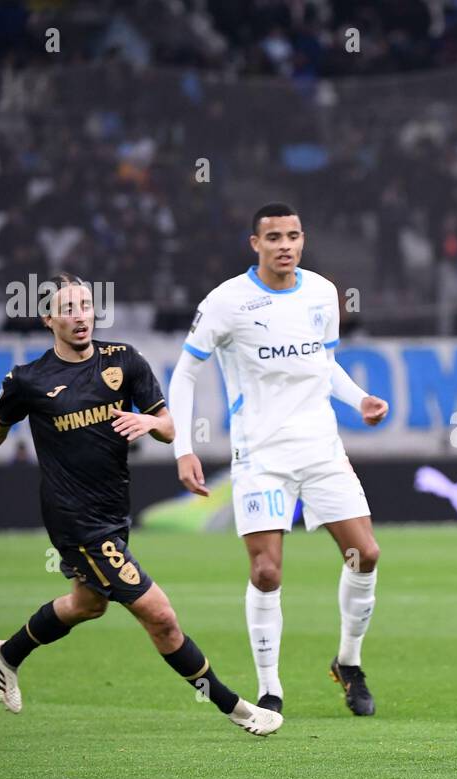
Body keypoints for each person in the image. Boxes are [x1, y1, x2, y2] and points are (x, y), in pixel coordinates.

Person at [0, 273, 281, 735]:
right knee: (160, 617)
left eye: (85, 305)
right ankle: (237, 708)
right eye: (68, 308)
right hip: (74, 521)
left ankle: (7, 653)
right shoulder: (29, 380)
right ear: (48, 318)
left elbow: (167, 426)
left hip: (112, 513)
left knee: (87, 605)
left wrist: (147, 423)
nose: (80, 315)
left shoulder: (124, 360)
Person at [168, 203, 390, 717]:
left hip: (321, 449)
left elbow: (324, 362)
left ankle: (348, 663)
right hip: (261, 456)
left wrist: (359, 400)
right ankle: (270, 688)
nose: (284, 245)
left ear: (303, 239)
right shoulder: (227, 302)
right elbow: (184, 373)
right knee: (267, 572)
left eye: (293, 235)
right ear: (255, 244)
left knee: (366, 555)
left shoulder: (320, 293)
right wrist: (184, 449)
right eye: (273, 237)